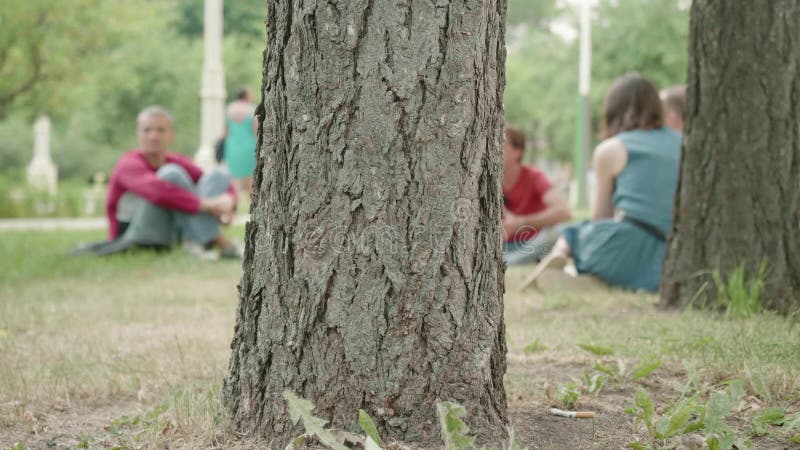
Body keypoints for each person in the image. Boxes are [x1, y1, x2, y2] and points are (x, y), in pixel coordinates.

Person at [526, 74, 681, 292]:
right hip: (674, 255)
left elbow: (601, 217)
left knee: (576, 232)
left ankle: (560, 257)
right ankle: (596, 277)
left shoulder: (611, 149)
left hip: (621, 251)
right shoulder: (684, 142)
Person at [72, 106, 241, 258]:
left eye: (161, 130)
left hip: (171, 232)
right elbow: (159, 193)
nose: (153, 136)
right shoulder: (128, 163)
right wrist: (209, 205)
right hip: (136, 234)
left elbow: (209, 180)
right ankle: (221, 242)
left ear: (172, 135)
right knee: (171, 175)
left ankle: (194, 243)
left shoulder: (174, 160)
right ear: (138, 134)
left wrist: (229, 201)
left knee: (220, 173)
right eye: (147, 130)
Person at [502, 126, 571, 265]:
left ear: (517, 152)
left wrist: (519, 222)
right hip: (499, 245)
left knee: (558, 231)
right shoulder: (484, 179)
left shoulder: (533, 176)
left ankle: (510, 262)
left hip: (532, 244)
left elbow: (563, 212)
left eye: (501, 143)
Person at [223, 88, 258, 195]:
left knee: (234, 178)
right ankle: (252, 204)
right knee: (251, 177)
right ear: (247, 96)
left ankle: (233, 204)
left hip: (232, 146)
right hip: (249, 146)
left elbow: (225, 131)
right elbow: (256, 131)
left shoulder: (229, 109)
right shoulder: (252, 109)